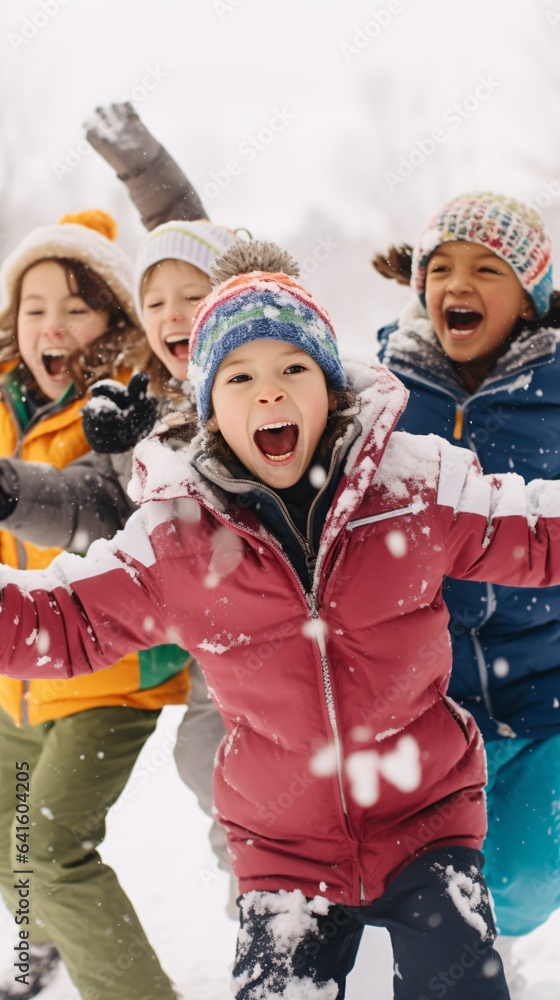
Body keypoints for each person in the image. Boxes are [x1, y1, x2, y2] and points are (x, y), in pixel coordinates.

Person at [0, 236, 538, 998]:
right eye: (240, 377)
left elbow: (532, 532)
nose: (269, 393)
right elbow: (61, 622)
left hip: (427, 827)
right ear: (212, 409)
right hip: (286, 853)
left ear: (331, 387)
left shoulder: (413, 490)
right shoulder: (178, 538)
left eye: (294, 369)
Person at [373, 191, 560, 996]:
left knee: (524, 872)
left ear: (530, 297)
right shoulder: (384, 388)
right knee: (438, 881)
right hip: (432, 694)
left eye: (489, 268)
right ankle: (474, 956)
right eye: (440, 267)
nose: (460, 281)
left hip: (552, 684)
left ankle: (499, 935)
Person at [0, 210, 188, 1000]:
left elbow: (128, 502)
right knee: (10, 844)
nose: (54, 325)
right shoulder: (5, 400)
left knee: (48, 845)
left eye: (76, 307)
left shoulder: (128, 412)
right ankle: (42, 939)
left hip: (109, 668)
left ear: (115, 317)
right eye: (35, 306)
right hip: (15, 675)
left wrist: (130, 438)